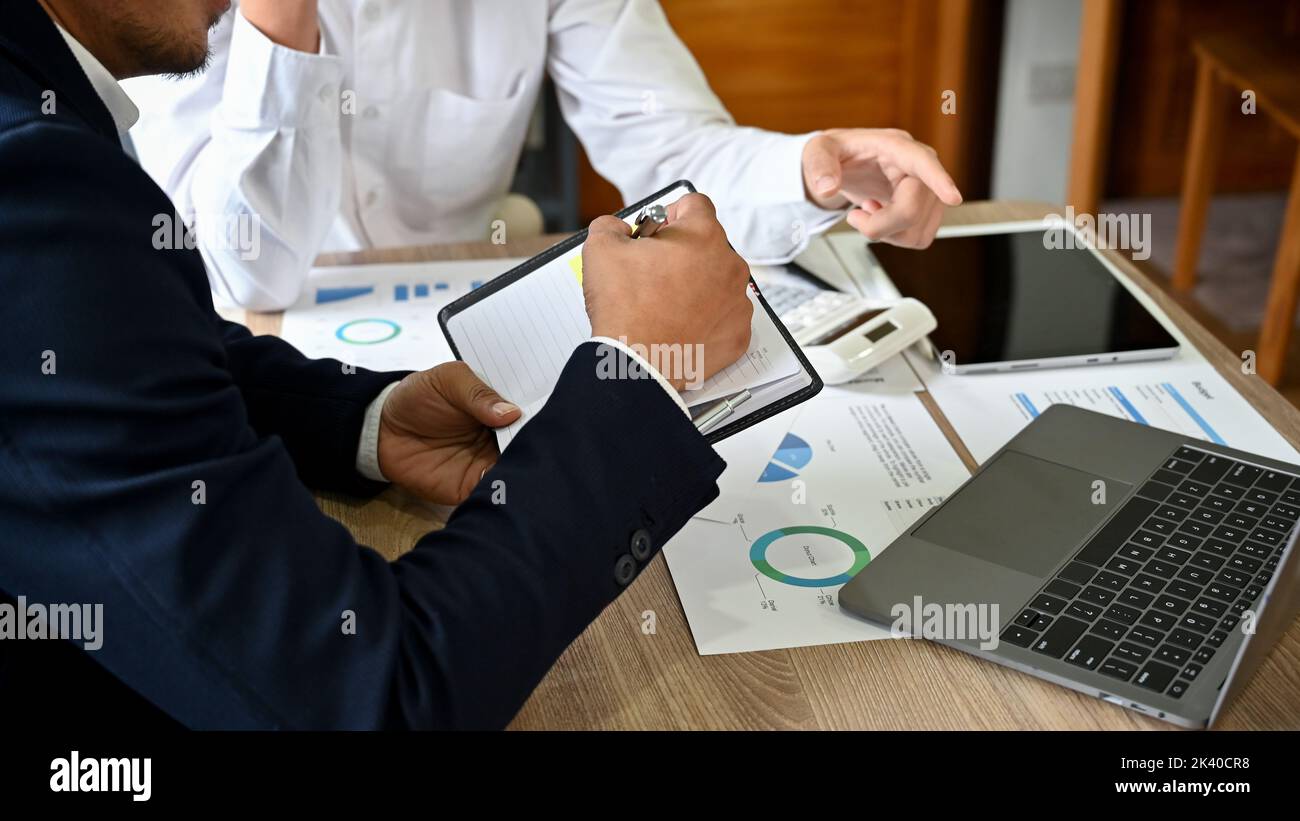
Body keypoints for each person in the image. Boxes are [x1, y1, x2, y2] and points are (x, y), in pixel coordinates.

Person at [0, 0, 754, 730]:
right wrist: (638, 370)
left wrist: (360, 420)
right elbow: (380, 695)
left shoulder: (45, 119)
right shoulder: (38, 182)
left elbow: (137, 341)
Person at [125, 0, 963, 310]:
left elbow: (671, 151)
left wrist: (807, 170)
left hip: (459, 314)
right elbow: (248, 272)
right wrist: (282, 18)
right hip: (263, 341)